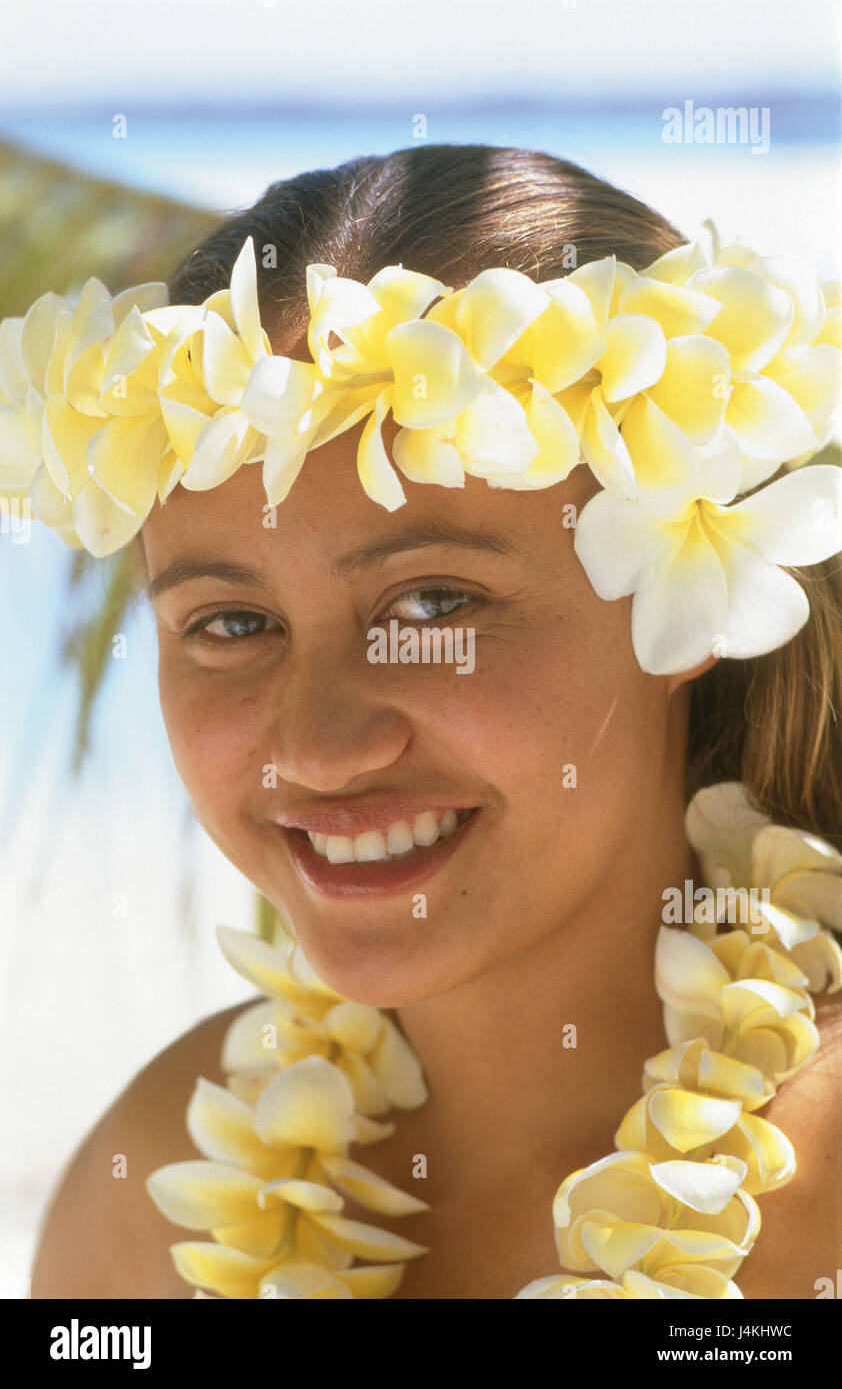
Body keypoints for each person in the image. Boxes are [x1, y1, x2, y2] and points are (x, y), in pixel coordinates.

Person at [17, 144, 842, 1299]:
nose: (313, 746)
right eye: (230, 623)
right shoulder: (148, 1206)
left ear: (687, 591)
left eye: (434, 603)